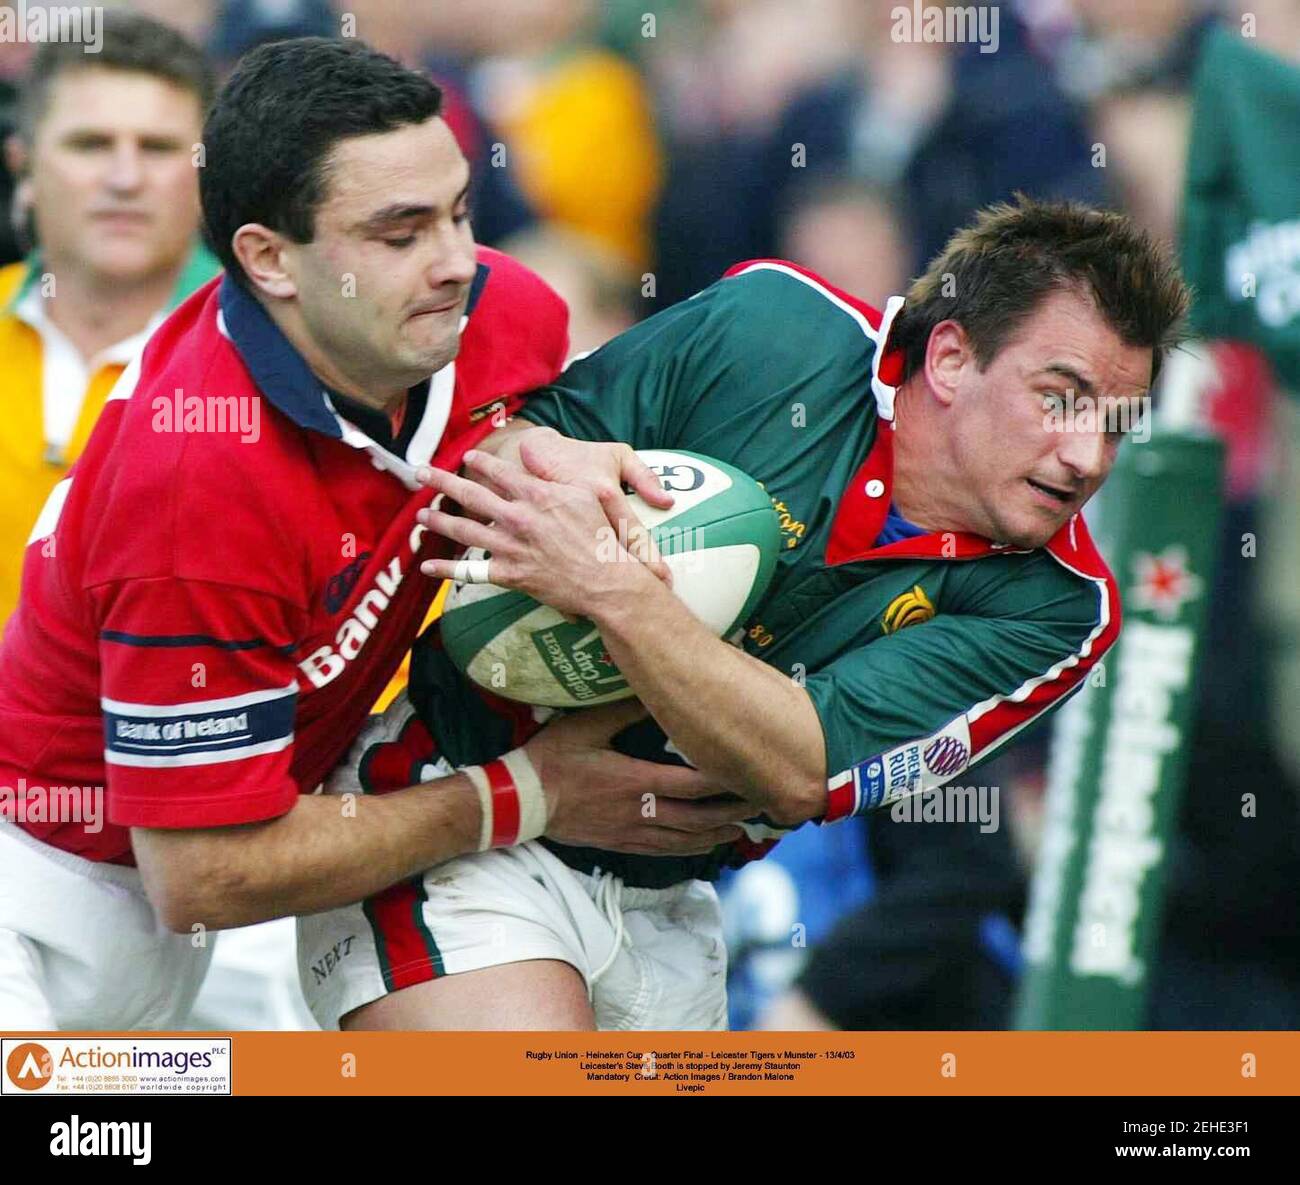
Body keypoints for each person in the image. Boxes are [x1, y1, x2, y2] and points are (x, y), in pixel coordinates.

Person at [297, 194, 1190, 1031]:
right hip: (454, 812)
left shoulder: (1063, 608)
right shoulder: (775, 326)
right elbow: (498, 457)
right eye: (1060, 398)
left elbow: (802, 765)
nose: (1086, 456)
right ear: (951, 358)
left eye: (1118, 422)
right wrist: (542, 464)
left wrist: (611, 586)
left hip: (677, 904)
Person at [0, 37, 713, 1032]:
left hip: (214, 880)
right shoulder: (196, 479)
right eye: (399, 232)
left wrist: (560, 451)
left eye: (460, 211)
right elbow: (202, 873)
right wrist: (525, 795)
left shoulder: (508, 313)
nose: (457, 263)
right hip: (45, 891)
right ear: (267, 259)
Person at [0, 12, 220, 630]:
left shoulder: (289, 355)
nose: (125, 179)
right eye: (90, 144)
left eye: (158, 147)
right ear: (23, 164)